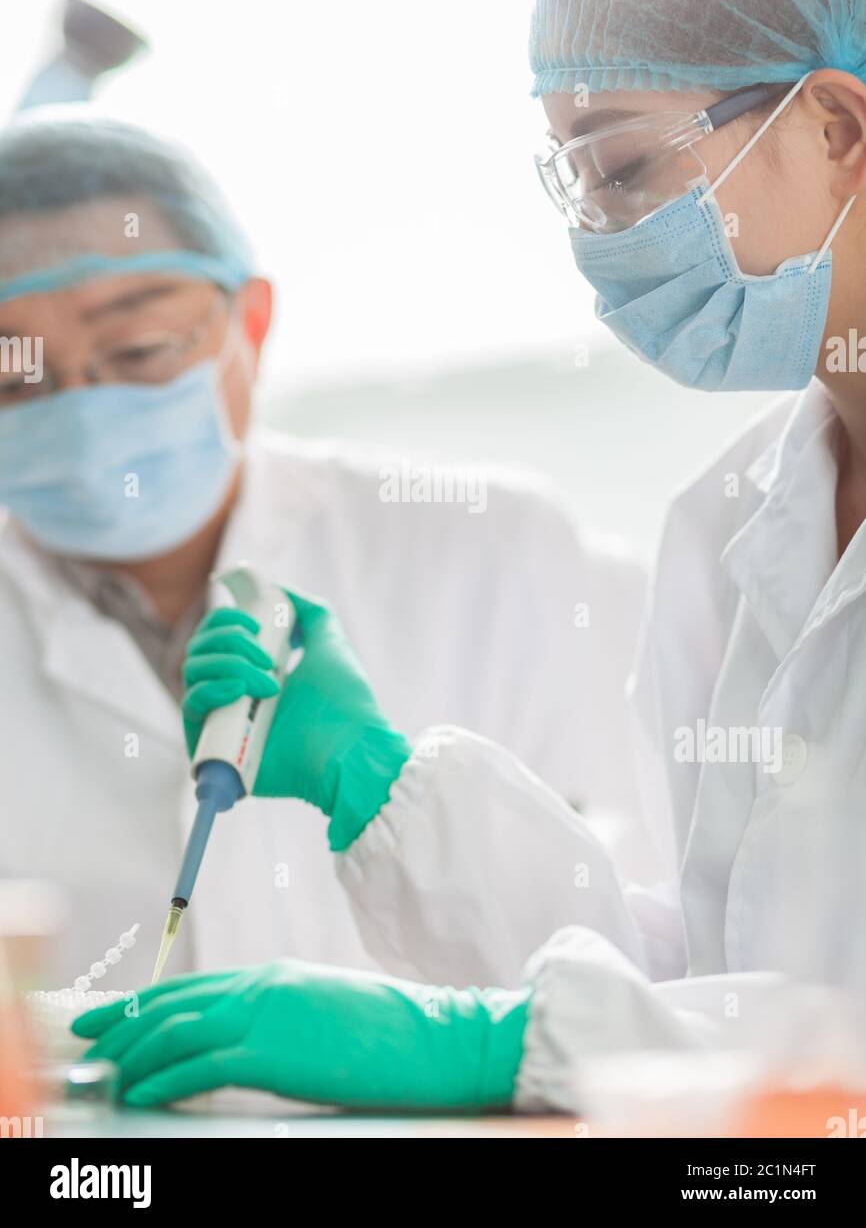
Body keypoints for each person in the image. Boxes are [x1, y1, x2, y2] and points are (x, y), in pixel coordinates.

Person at [76, 0, 866, 1114]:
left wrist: (496, 1045)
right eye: (569, 179)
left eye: (622, 169)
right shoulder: (732, 521)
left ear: (831, 127)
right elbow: (717, 980)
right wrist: (381, 785)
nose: (594, 239)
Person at [0, 112, 647, 989]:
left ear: (251, 322)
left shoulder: (492, 551)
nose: (80, 410)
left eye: (140, 349)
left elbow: (642, 948)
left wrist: (460, 1052)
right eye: (14, 372)